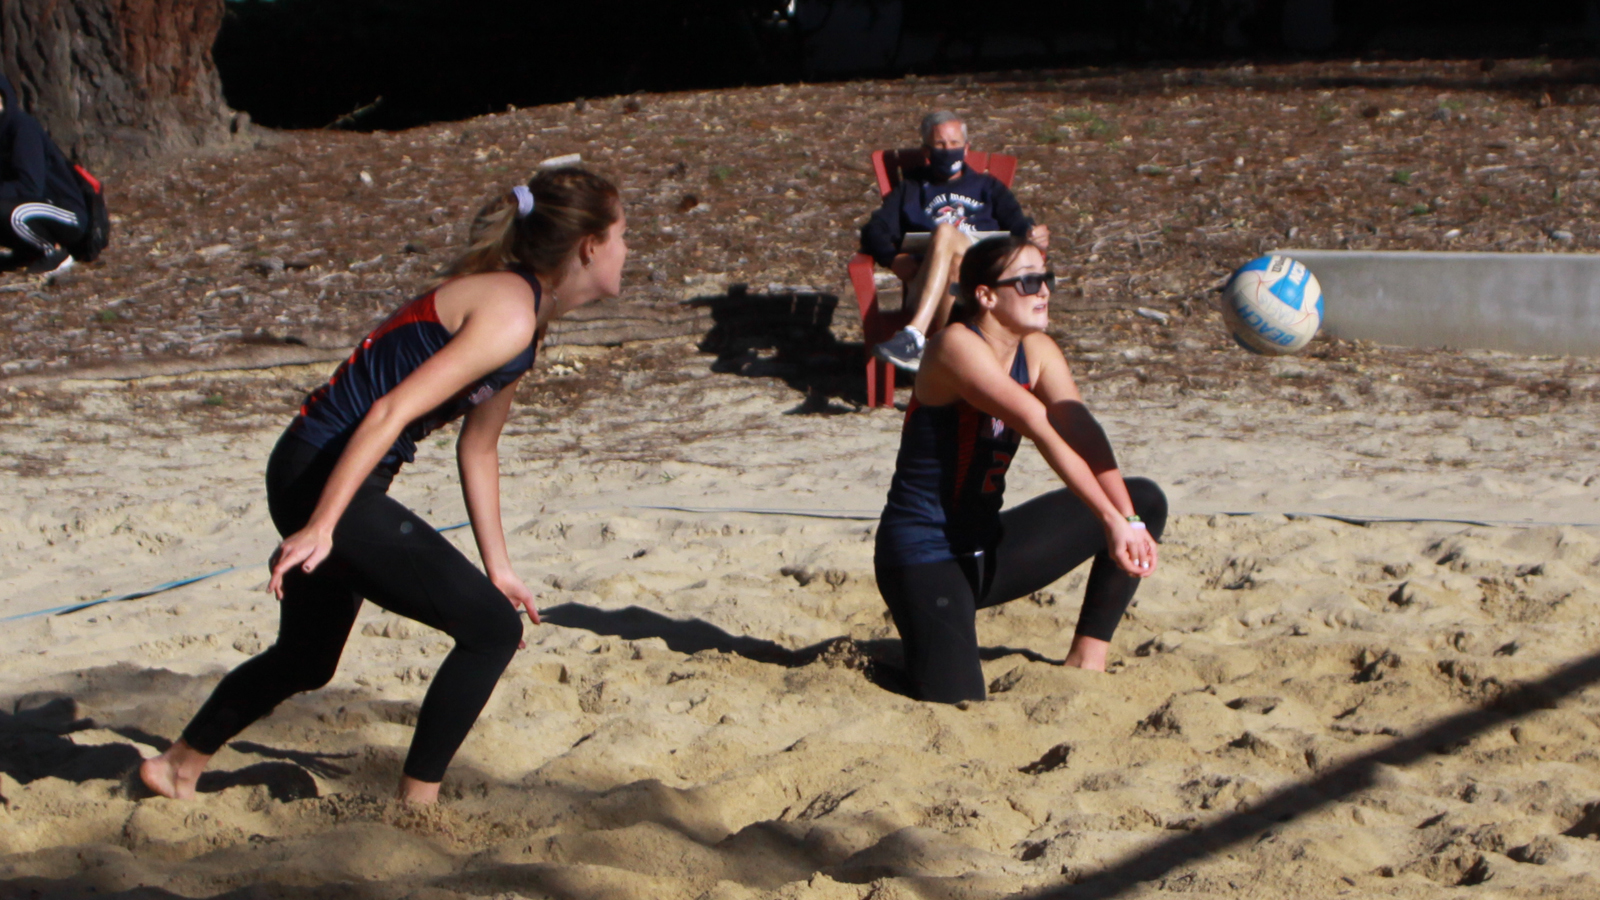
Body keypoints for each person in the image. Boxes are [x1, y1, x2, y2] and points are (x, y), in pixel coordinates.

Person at [139, 167, 627, 804]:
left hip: (320, 469)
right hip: (327, 474)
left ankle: (176, 766)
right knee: (491, 634)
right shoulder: (507, 312)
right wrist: (321, 525)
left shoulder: (523, 325)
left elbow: (479, 447)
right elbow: (387, 413)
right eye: (622, 236)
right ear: (589, 246)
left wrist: (499, 567)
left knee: (309, 660)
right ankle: (414, 808)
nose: (627, 251)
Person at [873, 234, 1165, 704]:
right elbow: (1038, 424)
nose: (1044, 290)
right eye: (1028, 282)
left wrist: (1128, 519)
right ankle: (900, 664)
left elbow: (1080, 429)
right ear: (986, 296)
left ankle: (1087, 660)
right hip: (924, 555)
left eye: (1045, 278)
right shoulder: (955, 346)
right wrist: (1110, 521)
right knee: (960, 702)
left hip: (988, 551)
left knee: (1145, 499)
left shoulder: (1038, 349)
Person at [859, 111, 1049, 373]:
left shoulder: (987, 187)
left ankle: (916, 336)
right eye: (940, 144)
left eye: (954, 143)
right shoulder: (912, 189)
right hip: (927, 286)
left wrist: (1034, 235)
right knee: (950, 250)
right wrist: (893, 259)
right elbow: (874, 230)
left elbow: (1018, 226)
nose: (948, 150)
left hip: (984, 287)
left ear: (967, 147)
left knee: (947, 235)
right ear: (926, 150)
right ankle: (946, 356)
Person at [0, 74, 87, 275]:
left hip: (65, 212)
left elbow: (30, 187)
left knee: (11, 213)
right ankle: (26, 252)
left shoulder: (23, 129)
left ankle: (53, 253)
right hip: (29, 208)